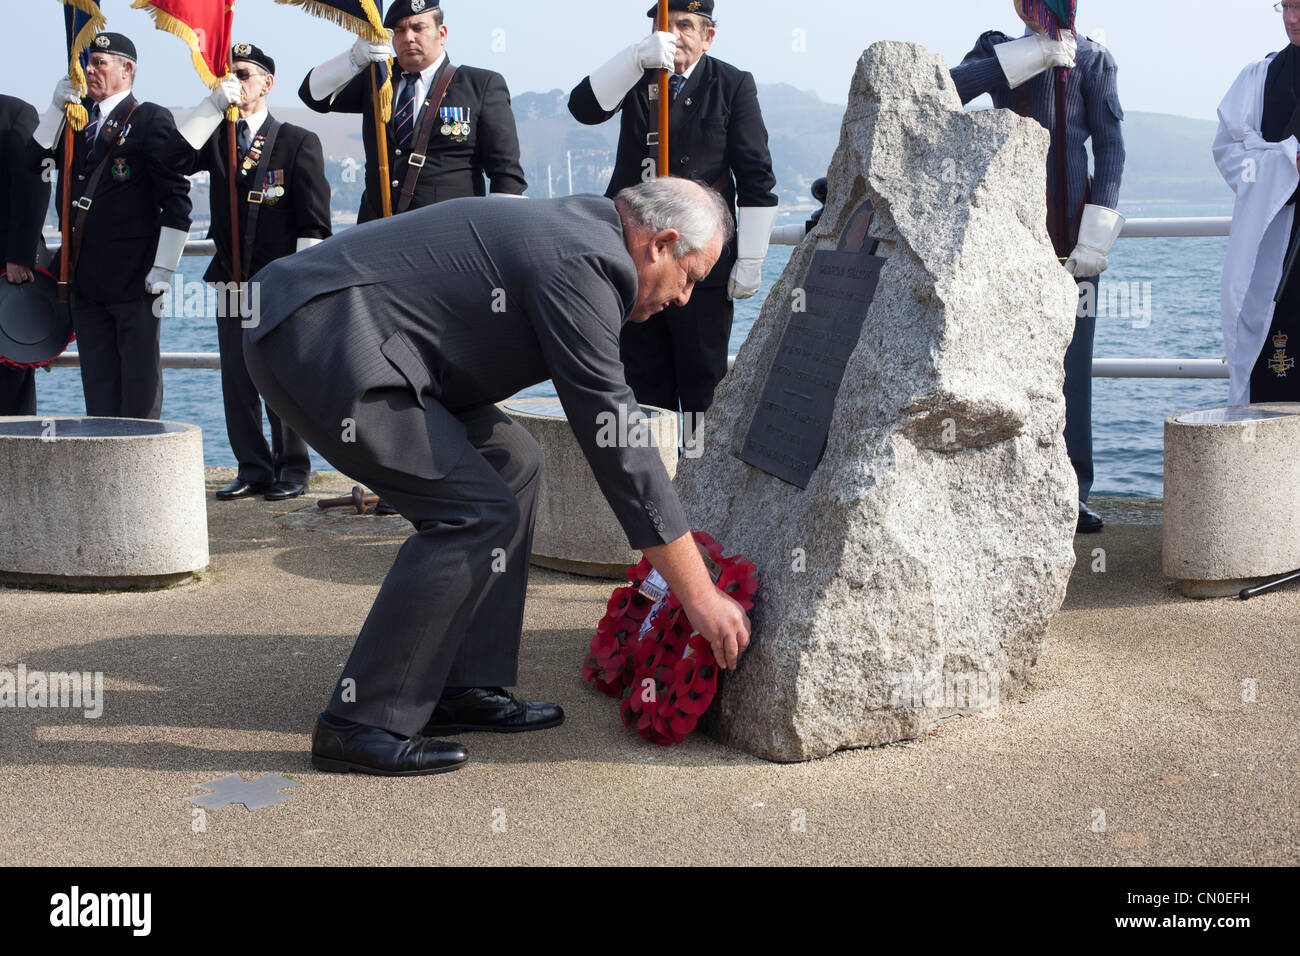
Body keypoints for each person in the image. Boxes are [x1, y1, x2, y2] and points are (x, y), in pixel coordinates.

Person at [243, 178, 752, 776]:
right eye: (690, 277)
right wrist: (698, 595)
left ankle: (461, 684)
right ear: (661, 244)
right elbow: (617, 439)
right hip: (324, 335)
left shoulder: (587, 229)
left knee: (512, 465)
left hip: (382, 343)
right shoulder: (591, 263)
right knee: (473, 509)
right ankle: (360, 723)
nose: (687, 298)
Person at [951, 0, 1125, 534]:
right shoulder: (994, 49)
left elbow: (1112, 147)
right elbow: (948, 92)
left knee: (1074, 372)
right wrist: (1028, 54)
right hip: (1006, 237)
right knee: (1000, 367)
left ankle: (1073, 494)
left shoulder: (1094, 61)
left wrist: (1101, 223)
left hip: (1074, 242)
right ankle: (1006, 490)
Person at [568, 0, 778, 428]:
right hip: (635, 254)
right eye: (665, 24)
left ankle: (701, 483)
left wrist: (752, 258)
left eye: (686, 25)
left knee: (703, 378)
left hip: (698, 256)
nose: (674, 34)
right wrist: (633, 59)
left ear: (708, 36)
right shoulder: (636, 74)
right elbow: (583, 109)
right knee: (640, 378)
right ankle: (652, 477)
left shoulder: (732, 84)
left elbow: (756, 174)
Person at [175, 43, 332, 501]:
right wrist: (210, 104)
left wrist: (302, 288)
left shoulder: (297, 141)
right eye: (228, 74)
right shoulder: (218, 137)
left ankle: (293, 469)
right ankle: (252, 468)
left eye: (243, 74)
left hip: (278, 281)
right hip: (229, 280)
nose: (235, 82)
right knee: (236, 378)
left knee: (280, 377)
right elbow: (174, 157)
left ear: (267, 83)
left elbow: (314, 222)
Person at [28, 32, 191, 420]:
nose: (89, 69)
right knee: (98, 385)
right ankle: (103, 467)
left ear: (127, 69)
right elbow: (33, 161)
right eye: (89, 61)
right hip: (85, 277)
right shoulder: (76, 118)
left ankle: (141, 467)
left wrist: (164, 268)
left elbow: (177, 201)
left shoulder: (149, 118)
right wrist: (55, 108)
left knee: (139, 384)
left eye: (100, 62)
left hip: (134, 277)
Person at [298, 0, 526, 224]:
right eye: (399, 31)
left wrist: (500, 238)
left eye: (418, 28)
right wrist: (354, 58)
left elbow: (506, 175)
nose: (408, 37)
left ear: (442, 33)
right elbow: (313, 95)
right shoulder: (379, 80)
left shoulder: (480, 85)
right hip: (378, 232)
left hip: (448, 236)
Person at [1214, 1, 1300, 405]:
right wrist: (1285, 165)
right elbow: (1229, 153)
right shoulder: (1261, 77)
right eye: (1287, 6)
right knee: (1275, 373)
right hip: (1277, 251)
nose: (1292, 18)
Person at [1, 94, 51, 415]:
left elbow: (35, 185)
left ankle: (14, 460)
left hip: (8, 272)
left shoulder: (15, 114)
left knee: (9, 379)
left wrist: (19, 255)